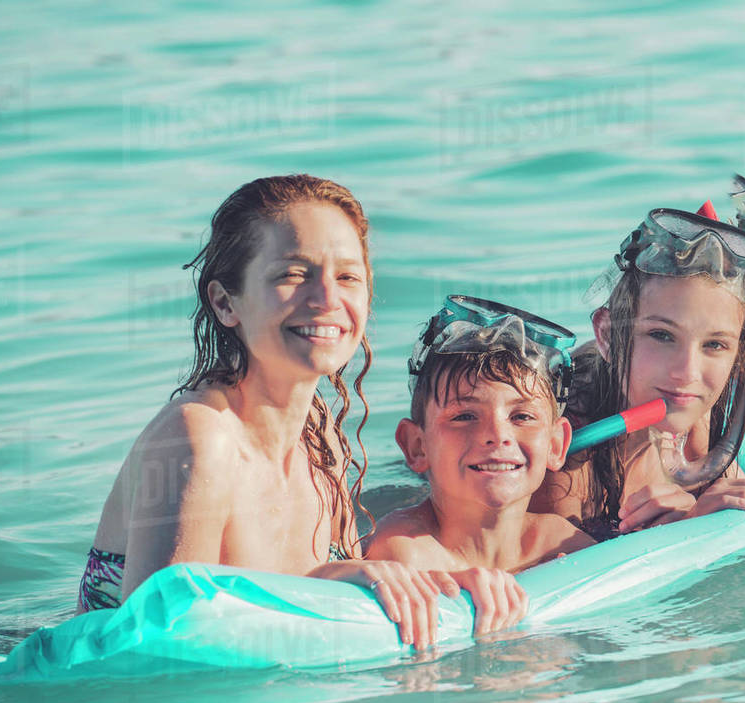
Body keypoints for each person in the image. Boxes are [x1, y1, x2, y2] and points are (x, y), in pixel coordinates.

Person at [78, 175, 507, 650]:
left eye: (347, 277)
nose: (327, 299)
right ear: (225, 303)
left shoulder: (319, 435)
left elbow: (347, 583)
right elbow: (157, 645)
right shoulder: (199, 436)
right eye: (293, 275)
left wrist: (442, 583)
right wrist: (325, 579)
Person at [531, 207, 745, 537]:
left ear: (739, 354)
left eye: (715, 344)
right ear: (606, 335)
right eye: (661, 335)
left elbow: (740, 498)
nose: (687, 372)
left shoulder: (694, 419)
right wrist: (688, 528)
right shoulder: (564, 457)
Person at [366, 297, 595, 633]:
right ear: (417, 446)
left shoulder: (561, 541)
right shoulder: (404, 549)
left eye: (522, 416)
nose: (497, 436)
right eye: (465, 416)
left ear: (556, 445)